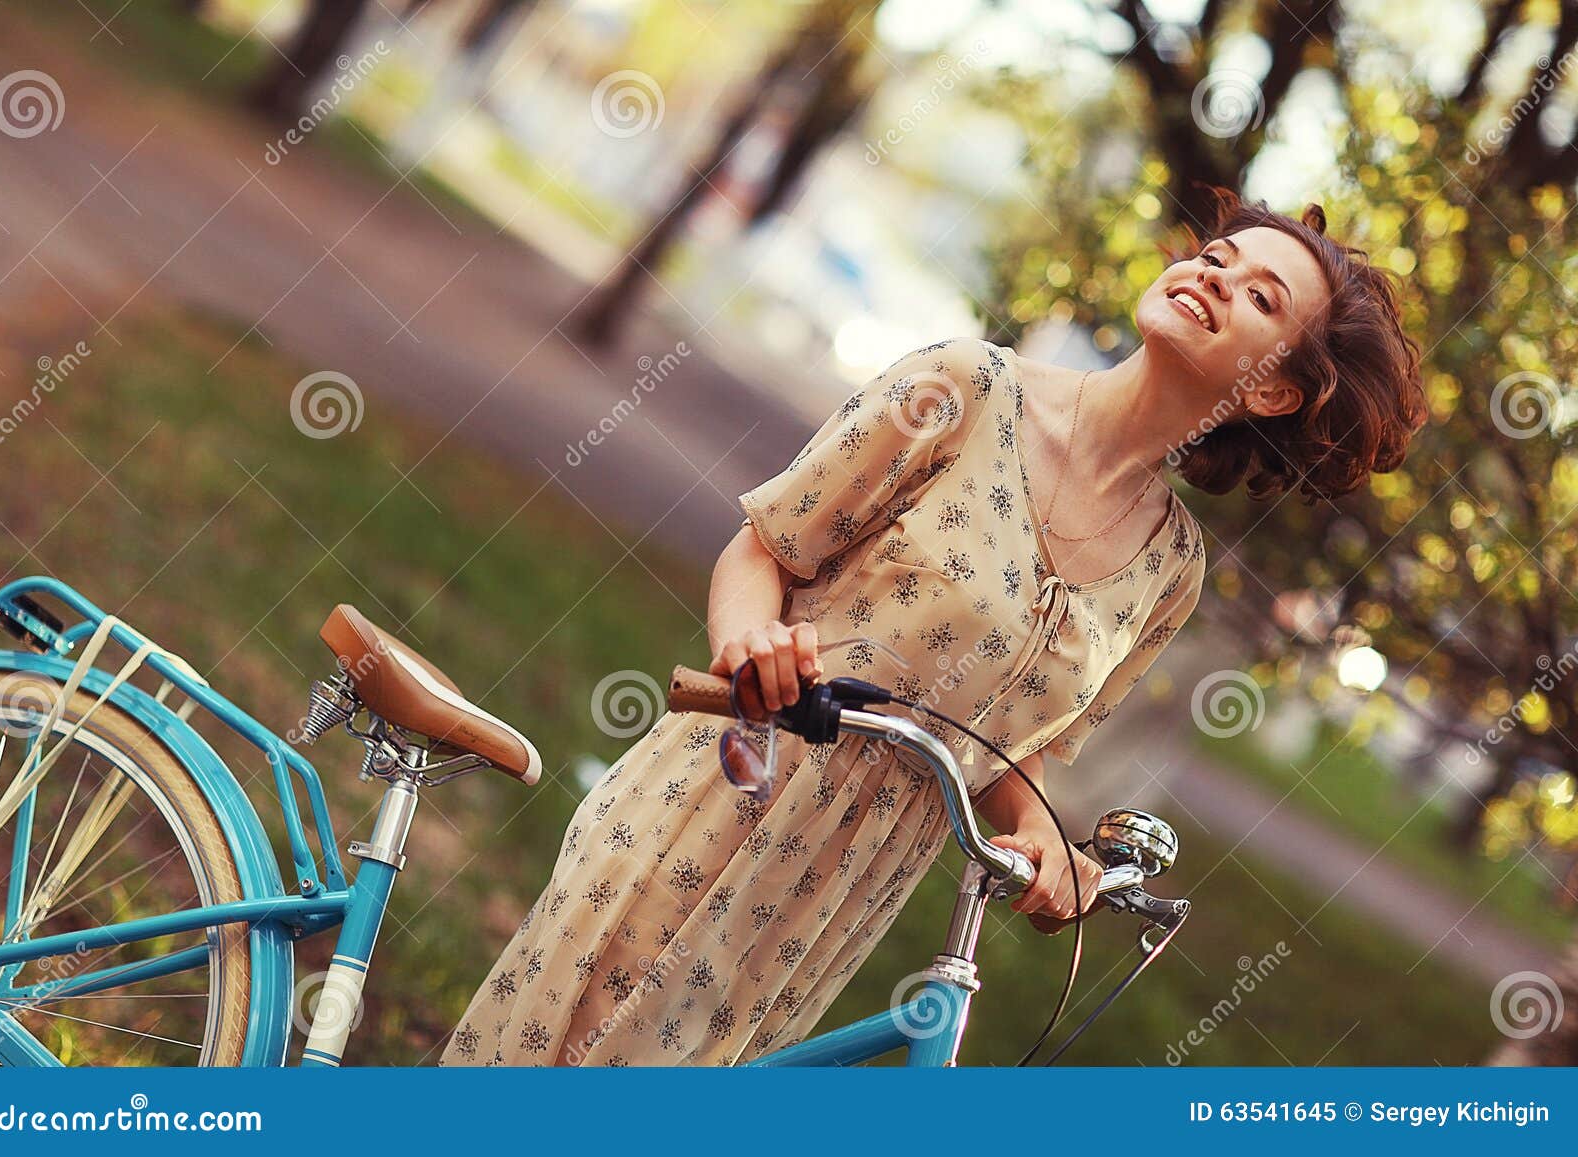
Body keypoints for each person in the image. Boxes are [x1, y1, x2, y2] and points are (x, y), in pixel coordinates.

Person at [442, 189, 1426, 1066]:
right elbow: (767, 547)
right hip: (727, 785)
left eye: (1258, 296)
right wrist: (746, 643)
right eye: (1217, 258)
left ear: (1268, 390)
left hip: (839, 889)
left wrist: (1050, 845)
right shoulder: (962, 389)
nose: (1214, 278)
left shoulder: (1170, 572)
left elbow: (1015, 752)